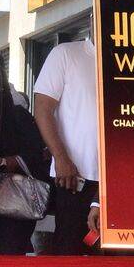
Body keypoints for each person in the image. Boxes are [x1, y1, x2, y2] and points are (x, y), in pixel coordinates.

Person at [0, 53, 49, 255]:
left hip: (6, 205)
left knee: (6, 254)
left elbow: (36, 153)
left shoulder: (17, 116)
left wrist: (4, 162)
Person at [33, 29, 99, 254]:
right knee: (69, 250)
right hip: (74, 176)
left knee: (113, 258)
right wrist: (60, 158)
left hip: (119, 179)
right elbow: (42, 109)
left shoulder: (131, 59)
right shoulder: (65, 54)